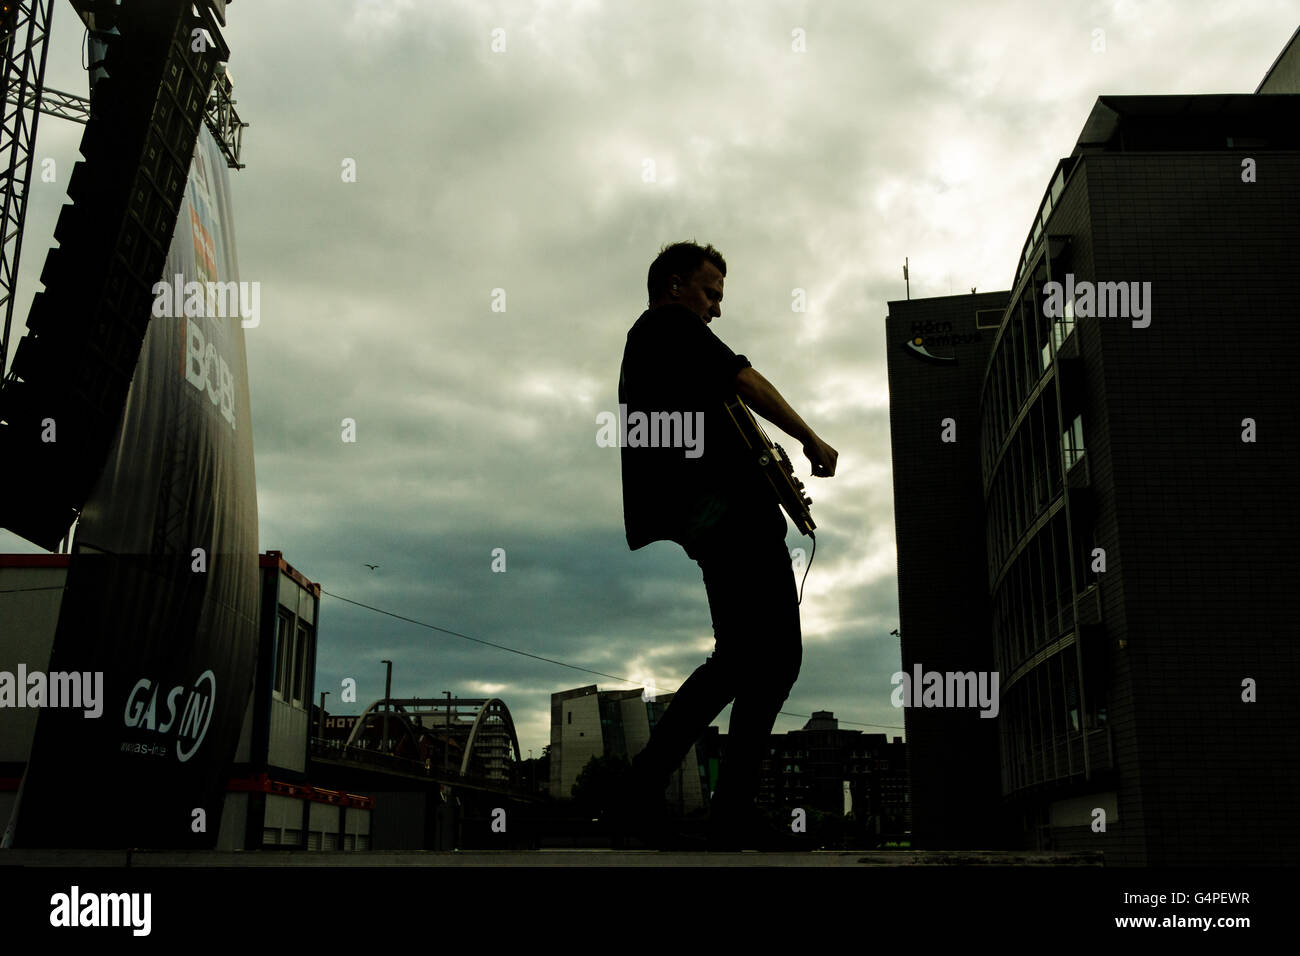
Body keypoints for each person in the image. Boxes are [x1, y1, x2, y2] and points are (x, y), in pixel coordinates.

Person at [616, 241, 838, 849]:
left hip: (711, 513)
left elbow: (723, 414)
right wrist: (811, 439)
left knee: (742, 658)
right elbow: (743, 378)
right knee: (772, 657)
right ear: (673, 284)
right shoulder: (667, 325)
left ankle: (657, 795)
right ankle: (723, 807)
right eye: (710, 292)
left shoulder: (655, 345)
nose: (715, 308)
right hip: (729, 514)